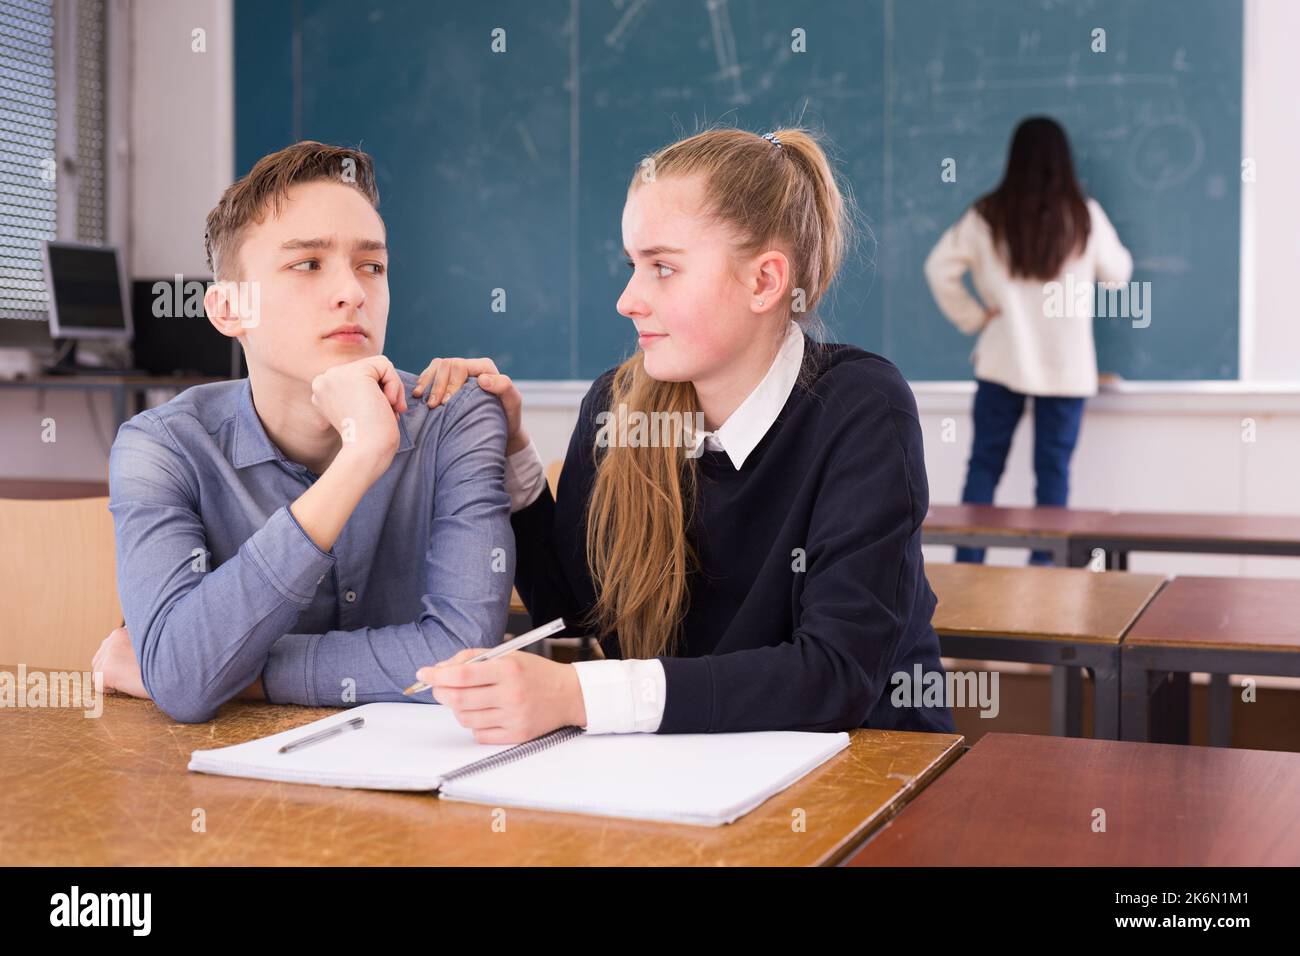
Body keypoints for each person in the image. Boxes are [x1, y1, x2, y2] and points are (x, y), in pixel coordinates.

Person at [410, 127, 955, 744]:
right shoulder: (617, 410)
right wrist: (509, 450)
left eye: (662, 268)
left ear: (765, 282)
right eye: (633, 266)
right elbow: (576, 614)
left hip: (869, 774)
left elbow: (835, 675)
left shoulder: (861, 408)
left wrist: (577, 695)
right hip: (693, 775)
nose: (626, 300)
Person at [96, 141, 514, 723]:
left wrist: (231, 674)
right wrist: (359, 459)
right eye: (307, 264)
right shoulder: (161, 446)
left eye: (372, 265)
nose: (353, 292)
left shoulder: (456, 416)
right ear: (227, 310)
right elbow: (185, 677)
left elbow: (459, 656)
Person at [924, 116, 1133, 564]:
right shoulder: (1084, 216)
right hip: (1067, 369)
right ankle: (1046, 575)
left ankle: (968, 569)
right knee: (1053, 475)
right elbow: (1118, 275)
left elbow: (938, 268)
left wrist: (977, 317)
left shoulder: (987, 215)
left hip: (1003, 361)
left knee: (984, 468)